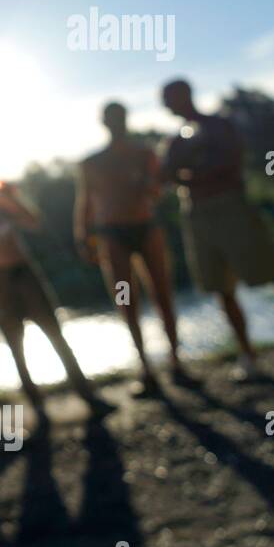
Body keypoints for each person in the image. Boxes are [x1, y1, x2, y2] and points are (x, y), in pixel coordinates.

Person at [160, 79, 274, 385]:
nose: (166, 105)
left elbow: (226, 166)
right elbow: (165, 175)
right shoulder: (175, 140)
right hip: (196, 215)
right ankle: (248, 356)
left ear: (185, 96)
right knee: (220, 287)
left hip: (231, 209)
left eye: (169, 98)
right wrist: (189, 173)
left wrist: (188, 174)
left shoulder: (219, 126)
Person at [0, 163, 114, 421]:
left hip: (23, 271)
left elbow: (34, 222)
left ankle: (86, 394)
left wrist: (11, 200)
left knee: (54, 332)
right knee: (15, 343)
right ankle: (38, 408)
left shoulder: (2, 200)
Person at [75, 102, 189, 395]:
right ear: (105, 122)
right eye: (112, 119)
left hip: (146, 227)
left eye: (120, 117)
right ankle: (146, 367)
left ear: (125, 120)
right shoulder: (92, 162)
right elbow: (86, 201)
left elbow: (157, 192)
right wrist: (83, 236)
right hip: (112, 233)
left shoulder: (143, 154)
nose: (117, 123)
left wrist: (146, 185)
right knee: (127, 300)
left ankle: (176, 361)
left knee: (162, 291)